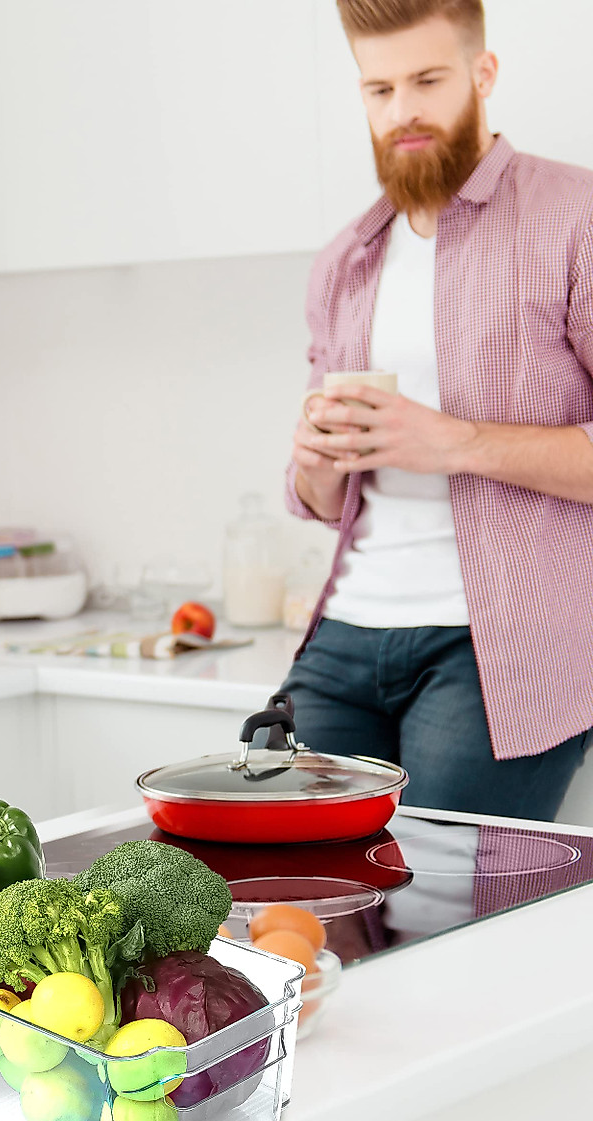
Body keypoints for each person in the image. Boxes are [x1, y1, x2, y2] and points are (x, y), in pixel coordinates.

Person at [281, 0, 593, 821]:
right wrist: (315, 460)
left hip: (497, 651)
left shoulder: (575, 218)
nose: (402, 110)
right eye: (380, 88)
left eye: (426, 80)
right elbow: (319, 500)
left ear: (482, 74)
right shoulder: (344, 259)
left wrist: (453, 442)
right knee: (312, 913)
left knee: (450, 919)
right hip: (344, 635)